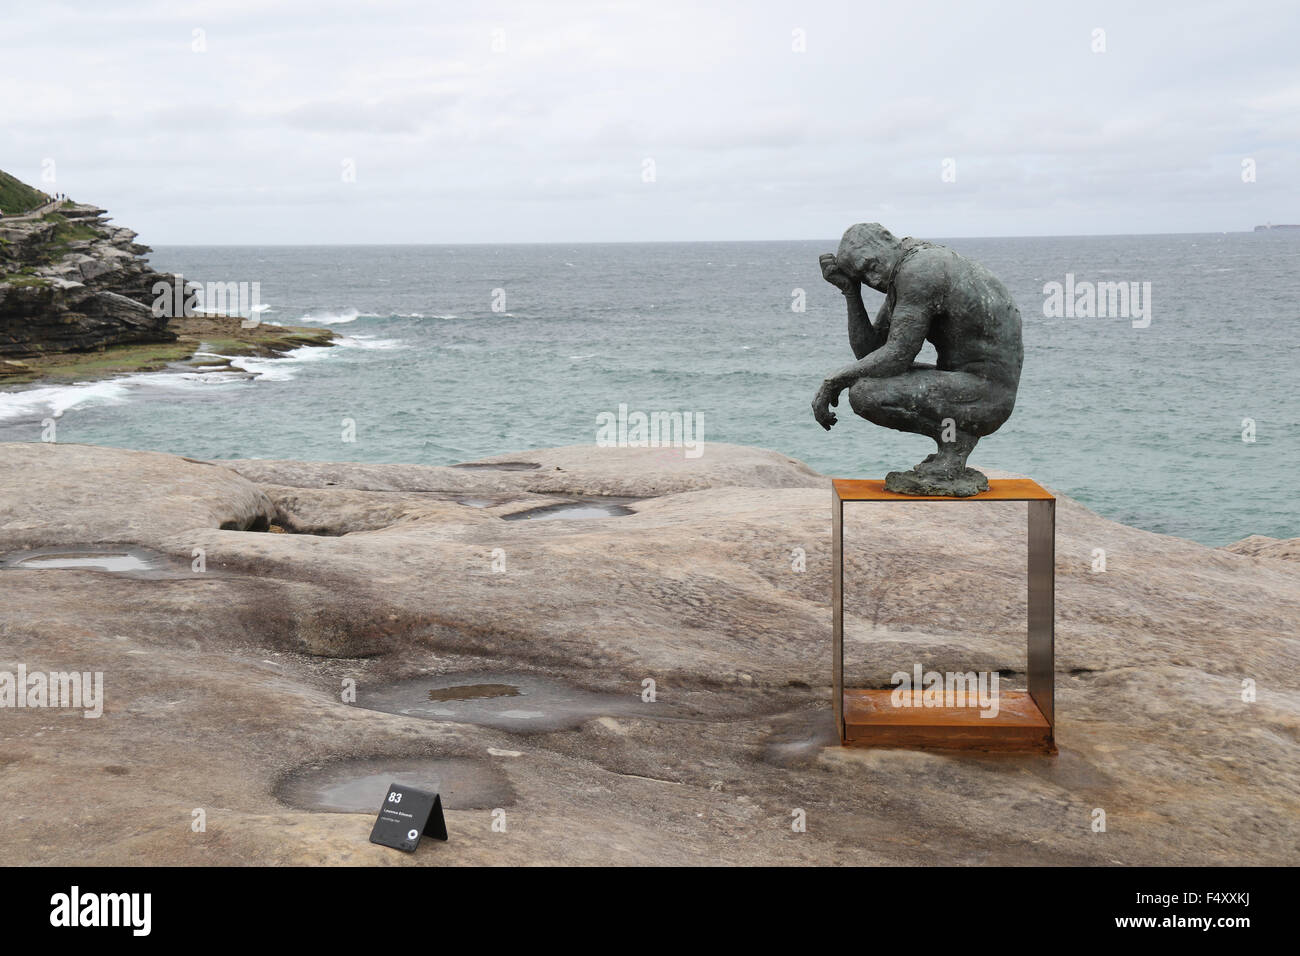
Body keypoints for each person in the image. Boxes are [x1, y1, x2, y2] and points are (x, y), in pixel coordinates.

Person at [812, 223, 1023, 491]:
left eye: (871, 265)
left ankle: (954, 449)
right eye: (864, 276)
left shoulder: (921, 270)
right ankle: (953, 445)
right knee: (864, 386)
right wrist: (851, 291)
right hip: (965, 385)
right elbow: (872, 351)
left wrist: (833, 381)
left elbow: (898, 355)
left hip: (987, 394)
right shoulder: (905, 268)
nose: (873, 279)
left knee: (865, 394)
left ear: (887, 240)